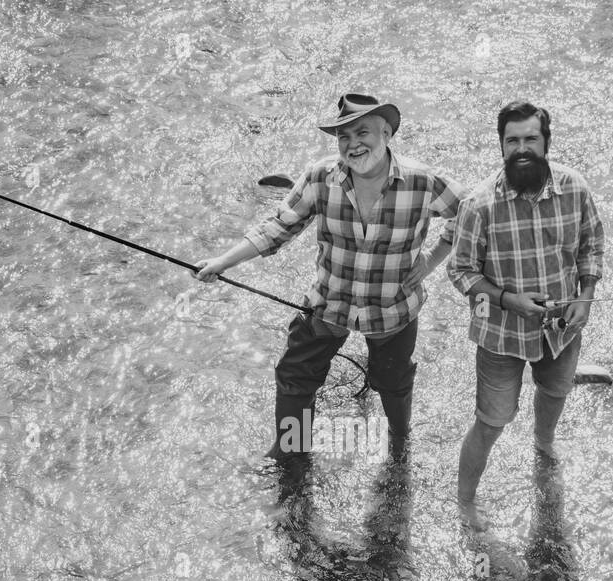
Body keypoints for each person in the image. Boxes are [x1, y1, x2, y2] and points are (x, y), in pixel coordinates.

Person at [194, 93, 465, 461]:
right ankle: (291, 450)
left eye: (363, 133)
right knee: (295, 374)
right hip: (328, 303)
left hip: (391, 310)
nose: (353, 145)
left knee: (393, 381)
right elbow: (277, 228)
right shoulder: (320, 177)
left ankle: (398, 442)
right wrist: (222, 262)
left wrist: (433, 260)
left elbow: (471, 213)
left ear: (387, 133)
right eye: (344, 137)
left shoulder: (422, 182)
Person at [447, 100, 606, 524]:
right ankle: (465, 501)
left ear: (546, 142)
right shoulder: (478, 205)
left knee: (556, 391)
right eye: (512, 140)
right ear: (500, 146)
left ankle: (544, 441)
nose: (521, 148)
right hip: (500, 336)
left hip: (561, 330)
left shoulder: (575, 188)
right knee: (491, 421)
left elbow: (591, 246)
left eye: (530, 139)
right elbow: (461, 271)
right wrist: (506, 300)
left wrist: (585, 296)